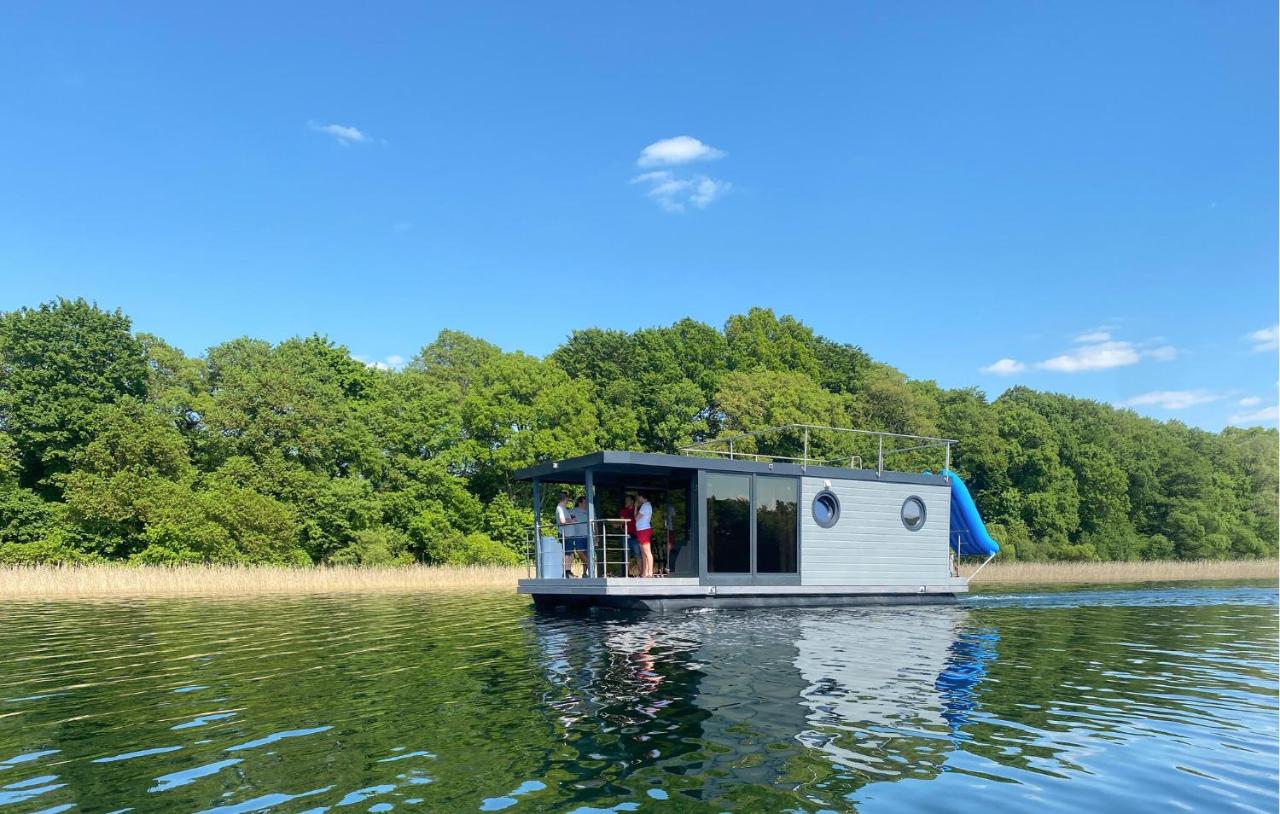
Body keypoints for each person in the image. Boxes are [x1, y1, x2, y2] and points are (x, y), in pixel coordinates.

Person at [566, 496, 592, 578]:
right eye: (585, 502)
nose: (586, 503)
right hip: (578, 535)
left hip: (589, 535)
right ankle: (591, 567)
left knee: (587, 554)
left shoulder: (590, 510)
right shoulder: (573, 511)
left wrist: (596, 534)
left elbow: (594, 523)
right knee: (579, 551)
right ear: (579, 503)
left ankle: (585, 573)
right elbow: (566, 517)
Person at [635, 492, 654, 578]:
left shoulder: (645, 506)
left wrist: (636, 507)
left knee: (647, 552)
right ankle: (645, 572)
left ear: (642, 497)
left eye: (638, 497)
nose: (638, 499)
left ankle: (650, 572)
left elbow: (636, 518)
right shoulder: (646, 505)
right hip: (641, 530)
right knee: (643, 552)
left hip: (644, 530)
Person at [555, 492, 575, 578]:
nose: (568, 501)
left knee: (571, 553)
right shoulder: (560, 508)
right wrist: (572, 521)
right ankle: (567, 572)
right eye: (568, 499)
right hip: (565, 534)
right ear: (565, 499)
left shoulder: (563, 508)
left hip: (569, 534)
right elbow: (562, 521)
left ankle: (568, 571)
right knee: (568, 553)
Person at [620, 495, 639, 576]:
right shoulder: (623, 511)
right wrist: (624, 531)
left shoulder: (637, 510)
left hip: (636, 536)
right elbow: (621, 523)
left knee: (638, 554)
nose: (626, 501)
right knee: (626, 555)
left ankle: (642, 573)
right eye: (625, 500)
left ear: (632, 501)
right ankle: (627, 573)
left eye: (628, 500)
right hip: (626, 536)